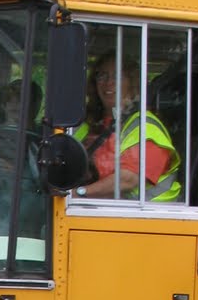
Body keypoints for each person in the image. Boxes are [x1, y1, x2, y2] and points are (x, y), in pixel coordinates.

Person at [75, 50, 180, 201]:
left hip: (146, 219)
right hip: (100, 213)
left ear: (132, 83)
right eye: (102, 76)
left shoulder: (145, 126)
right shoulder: (89, 124)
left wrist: (78, 193)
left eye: (117, 76)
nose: (109, 82)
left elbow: (128, 179)